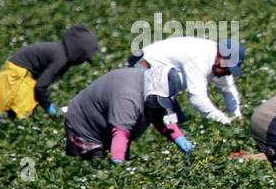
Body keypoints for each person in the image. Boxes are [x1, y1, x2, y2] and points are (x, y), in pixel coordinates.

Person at [63, 65, 192, 163]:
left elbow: (161, 114)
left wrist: (179, 137)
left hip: (108, 123)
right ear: (151, 91)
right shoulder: (128, 97)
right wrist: (118, 162)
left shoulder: (151, 87)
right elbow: (121, 133)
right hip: (84, 126)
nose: (159, 104)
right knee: (95, 169)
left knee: (116, 157)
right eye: (158, 100)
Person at [0, 24, 98, 119]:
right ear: (79, 53)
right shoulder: (60, 58)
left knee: (20, 111)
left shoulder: (60, 52)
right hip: (17, 74)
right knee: (21, 114)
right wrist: (49, 107)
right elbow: (40, 86)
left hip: (20, 72)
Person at [132, 36, 245, 124]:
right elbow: (198, 99)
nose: (227, 73)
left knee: (176, 122)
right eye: (228, 69)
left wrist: (237, 117)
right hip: (144, 67)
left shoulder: (221, 63)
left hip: (165, 81)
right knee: (138, 119)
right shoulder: (200, 57)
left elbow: (228, 90)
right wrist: (225, 121)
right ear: (221, 56)